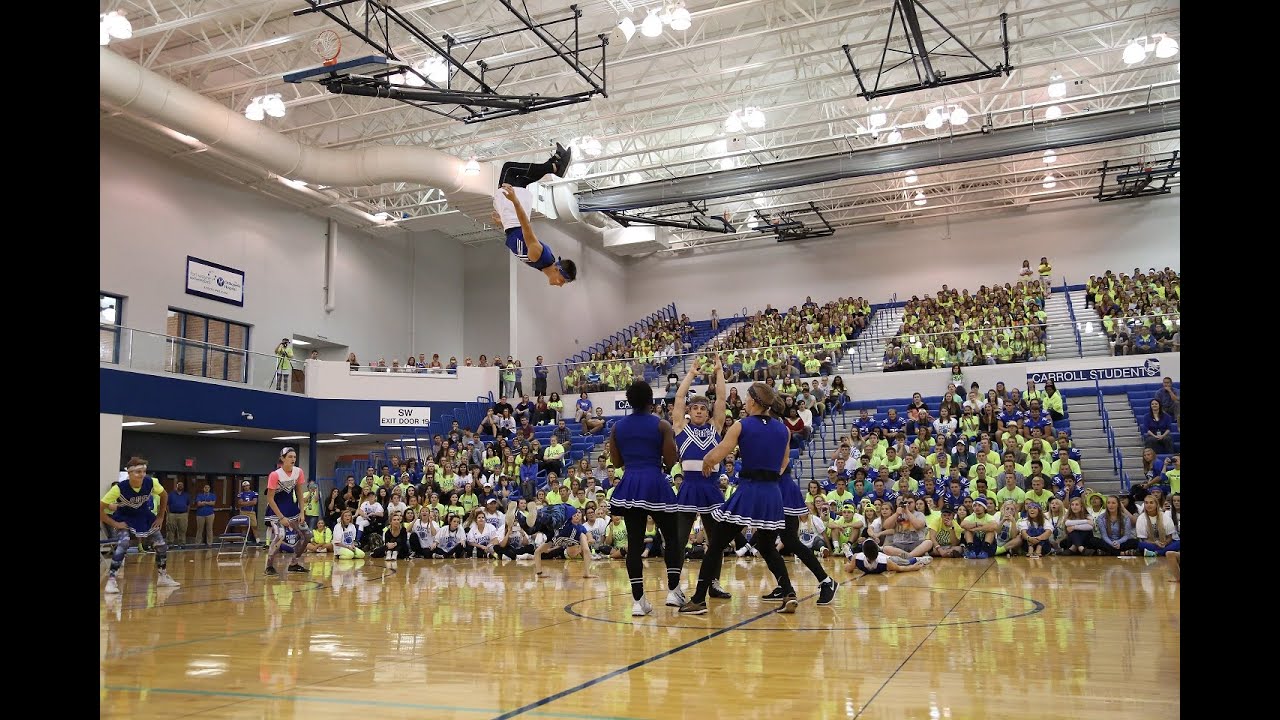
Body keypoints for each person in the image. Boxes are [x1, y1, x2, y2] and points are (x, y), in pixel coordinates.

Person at [680, 382, 798, 616]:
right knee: (767, 546)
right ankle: (788, 592)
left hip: (749, 491)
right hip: (772, 492)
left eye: (747, 397)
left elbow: (718, 454)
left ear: (753, 401)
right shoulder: (783, 430)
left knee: (715, 545)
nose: (745, 401)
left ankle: (698, 600)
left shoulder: (741, 426)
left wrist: (707, 461)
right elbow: (784, 462)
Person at [607, 380, 682, 616]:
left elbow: (617, 462)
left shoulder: (617, 427)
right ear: (651, 401)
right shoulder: (662, 425)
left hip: (630, 484)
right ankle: (673, 590)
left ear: (629, 401)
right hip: (655, 482)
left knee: (635, 543)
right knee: (671, 538)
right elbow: (671, 462)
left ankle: (638, 602)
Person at [671, 358, 732, 604]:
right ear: (689, 411)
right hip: (689, 488)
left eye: (702, 409)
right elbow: (678, 399)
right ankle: (674, 588)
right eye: (694, 407)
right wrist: (690, 374)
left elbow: (721, 400)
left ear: (707, 413)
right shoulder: (680, 428)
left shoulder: (715, 428)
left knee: (715, 541)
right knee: (678, 540)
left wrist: (719, 373)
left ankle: (713, 583)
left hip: (711, 489)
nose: (698, 410)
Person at [768, 394, 838, 605]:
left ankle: (826, 580)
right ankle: (785, 586)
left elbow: (780, 463)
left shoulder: (776, 429)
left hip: (781, 488)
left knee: (789, 540)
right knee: (766, 543)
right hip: (772, 488)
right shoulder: (771, 426)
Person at [101, 457, 181, 593]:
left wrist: (161, 516)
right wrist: (114, 523)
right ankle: (112, 580)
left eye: (144, 471)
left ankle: (162, 576)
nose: (142, 474)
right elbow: (101, 508)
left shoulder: (151, 482)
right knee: (123, 544)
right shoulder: (118, 489)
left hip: (145, 516)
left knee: (161, 545)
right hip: (125, 517)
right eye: (138, 472)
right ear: (130, 473)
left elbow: (164, 495)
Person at [493, 184, 577, 287]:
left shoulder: (543, 263)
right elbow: (526, 227)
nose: (560, 285)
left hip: (511, 219)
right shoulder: (539, 257)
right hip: (513, 209)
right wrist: (515, 200)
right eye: (562, 280)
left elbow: (520, 238)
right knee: (508, 173)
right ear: (557, 269)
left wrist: (503, 223)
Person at [264, 447, 313, 576]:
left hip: (292, 509)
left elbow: (299, 492)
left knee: (307, 535)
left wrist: (302, 512)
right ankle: (269, 565)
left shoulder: (298, 472)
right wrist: (281, 518)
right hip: (276, 511)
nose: (293, 459)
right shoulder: (275, 475)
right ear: (282, 458)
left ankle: (294, 563)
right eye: (290, 457)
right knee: (280, 535)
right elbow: (269, 498)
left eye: (295, 457)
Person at [845, 539, 931, 574]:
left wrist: (913, 567)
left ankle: (917, 559)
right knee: (853, 561)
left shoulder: (886, 561)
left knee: (906, 562)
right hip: (882, 561)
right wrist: (913, 568)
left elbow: (900, 568)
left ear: (863, 552)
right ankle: (848, 553)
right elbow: (900, 569)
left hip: (890, 558)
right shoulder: (857, 557)